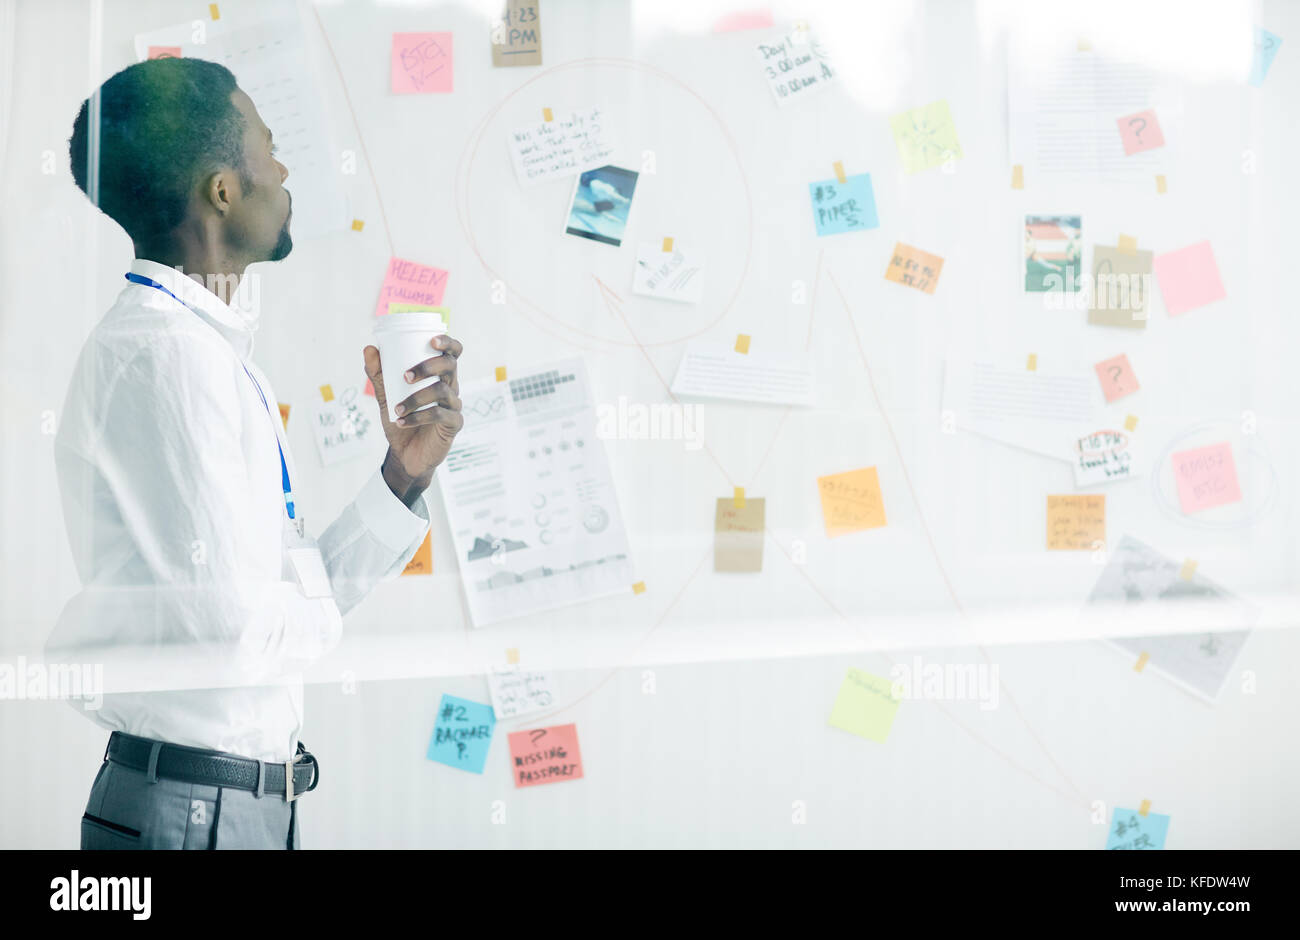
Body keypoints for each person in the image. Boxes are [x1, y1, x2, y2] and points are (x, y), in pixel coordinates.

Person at [49, 56, 464, 849]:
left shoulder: (201, 350)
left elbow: (262, 613)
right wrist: (289, 604)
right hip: (194, 814)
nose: (285, 169)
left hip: (225, 807)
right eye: (269, 148)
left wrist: (403, 473)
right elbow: (240, 633)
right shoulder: (167, 358)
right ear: (223, 191)